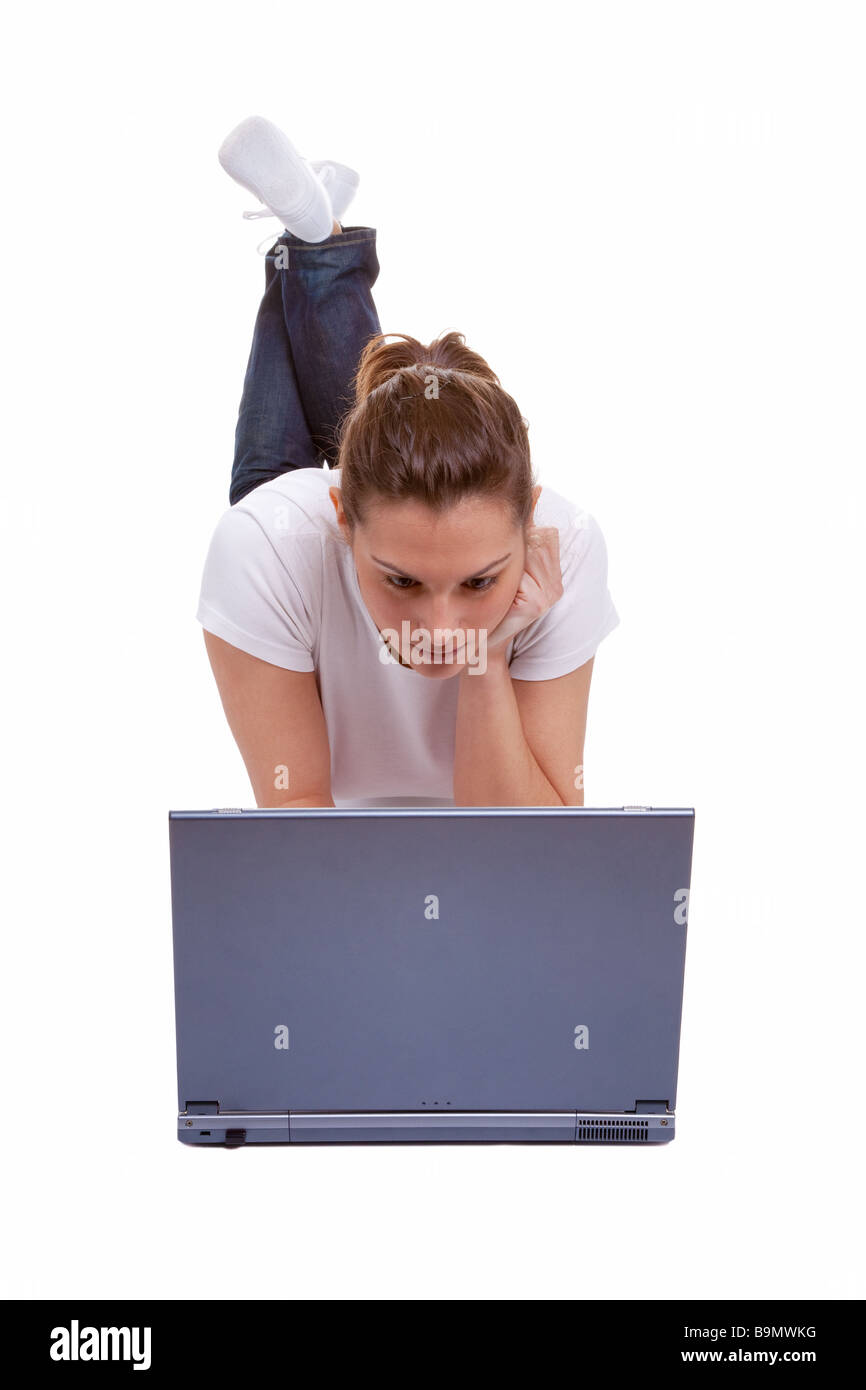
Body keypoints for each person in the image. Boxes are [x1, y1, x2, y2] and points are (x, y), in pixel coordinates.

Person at [197, 116, 620, 810]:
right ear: (339, 516)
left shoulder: (566, 551)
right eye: (402, 581)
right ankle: (310, 245)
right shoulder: (270, 545)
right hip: (290, 540)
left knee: (363, 418)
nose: (441, 633)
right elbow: (297, 824)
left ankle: (308, 244)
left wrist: (489, 662)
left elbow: (533, 847)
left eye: (482, 581)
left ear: (530, 527)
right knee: (266, 501)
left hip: (335, 524)